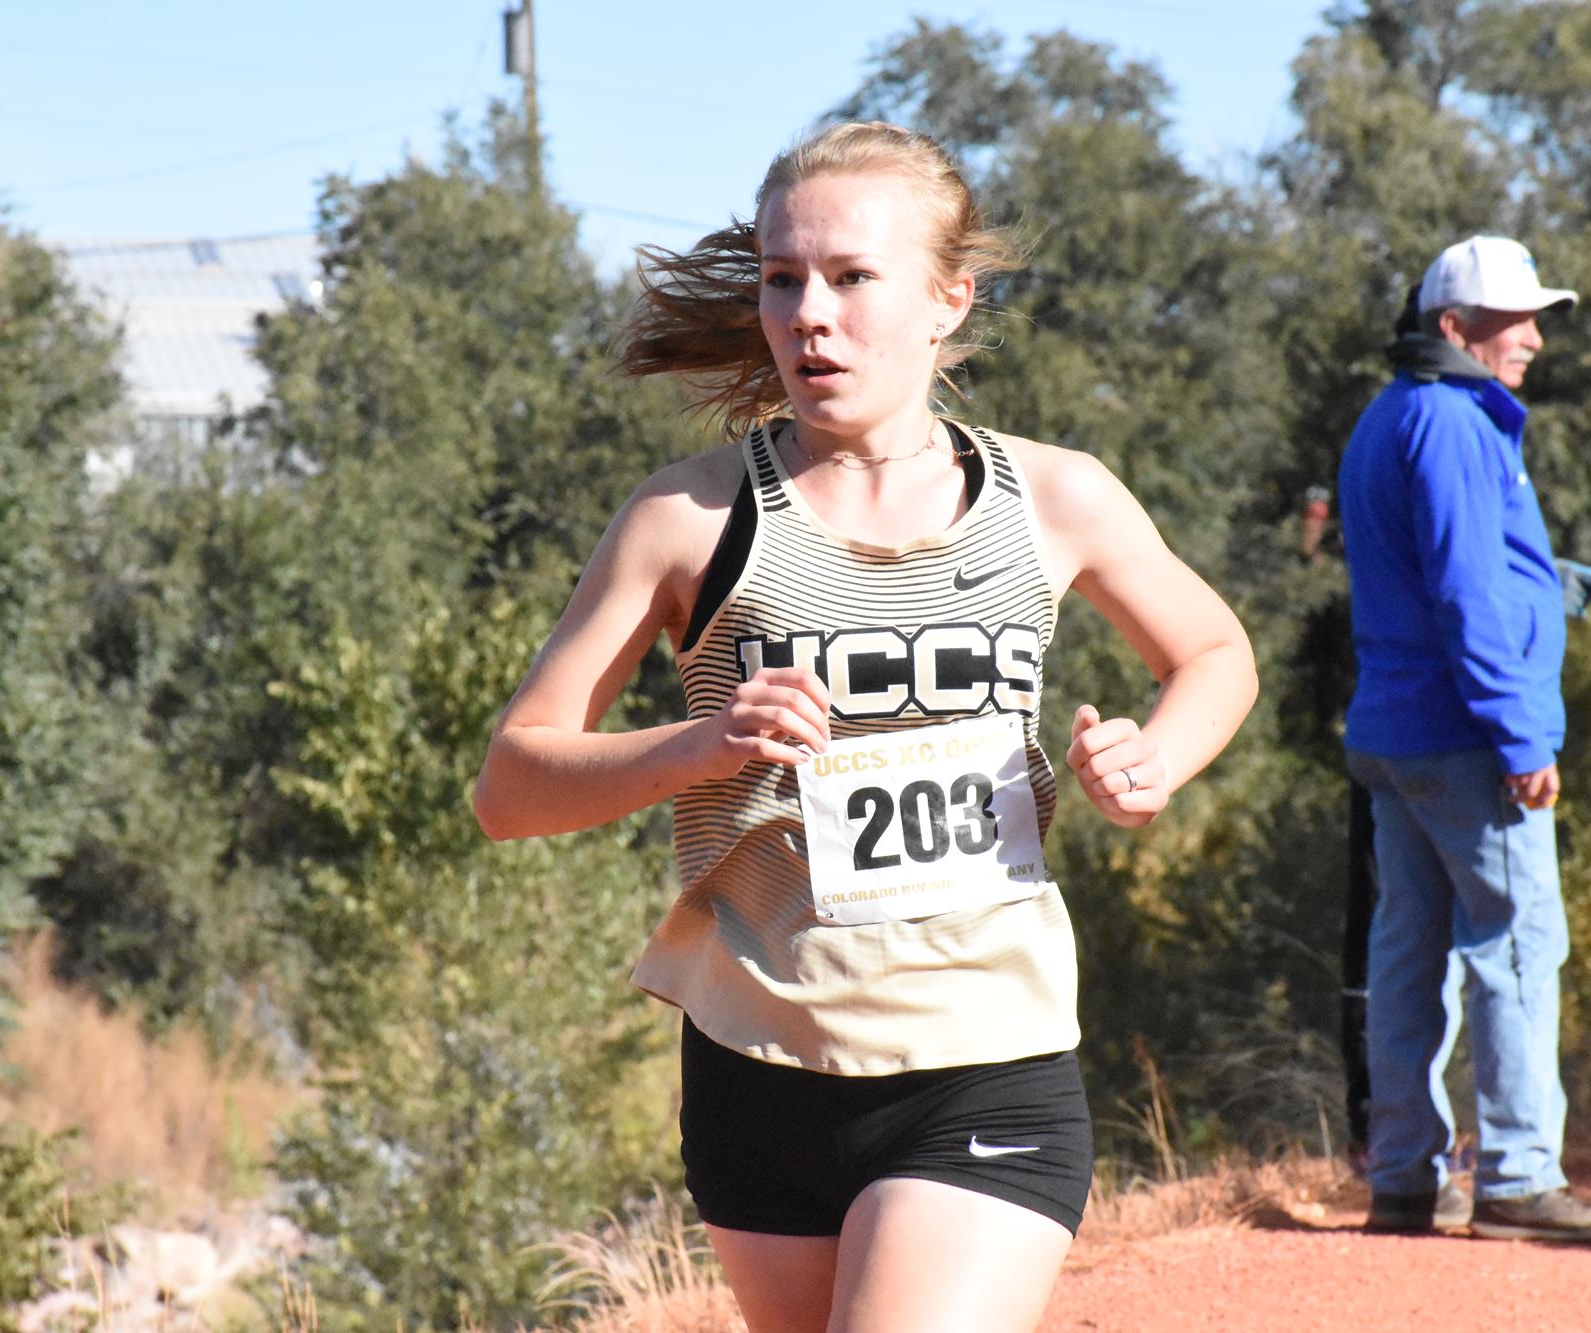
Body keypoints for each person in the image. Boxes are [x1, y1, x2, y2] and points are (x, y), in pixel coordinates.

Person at [472, 121, 1256, 1331]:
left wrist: (1157, 756)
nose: (807, 316)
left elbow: (1212, 654)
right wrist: (699, 745)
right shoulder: (689, 518)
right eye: (781, 279)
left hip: (985, 1058)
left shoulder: (1054, 496)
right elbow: (510, 788)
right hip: (758, 1071)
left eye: (848, 277)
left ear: (947, 299)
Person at [1338, 235, 1591, 1242]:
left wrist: (1541, 582)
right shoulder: (1455, 422)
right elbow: (1464, 594)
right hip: (1466, 737)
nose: (1534, 339)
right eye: (1515, 320)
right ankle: (1517, 1176)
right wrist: (1520, 734)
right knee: (1514, 945)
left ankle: (1401, 1179)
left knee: (1407, 954)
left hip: (1396, 729)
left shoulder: (1391, 413)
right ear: (1453, 327)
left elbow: (1442, 571)